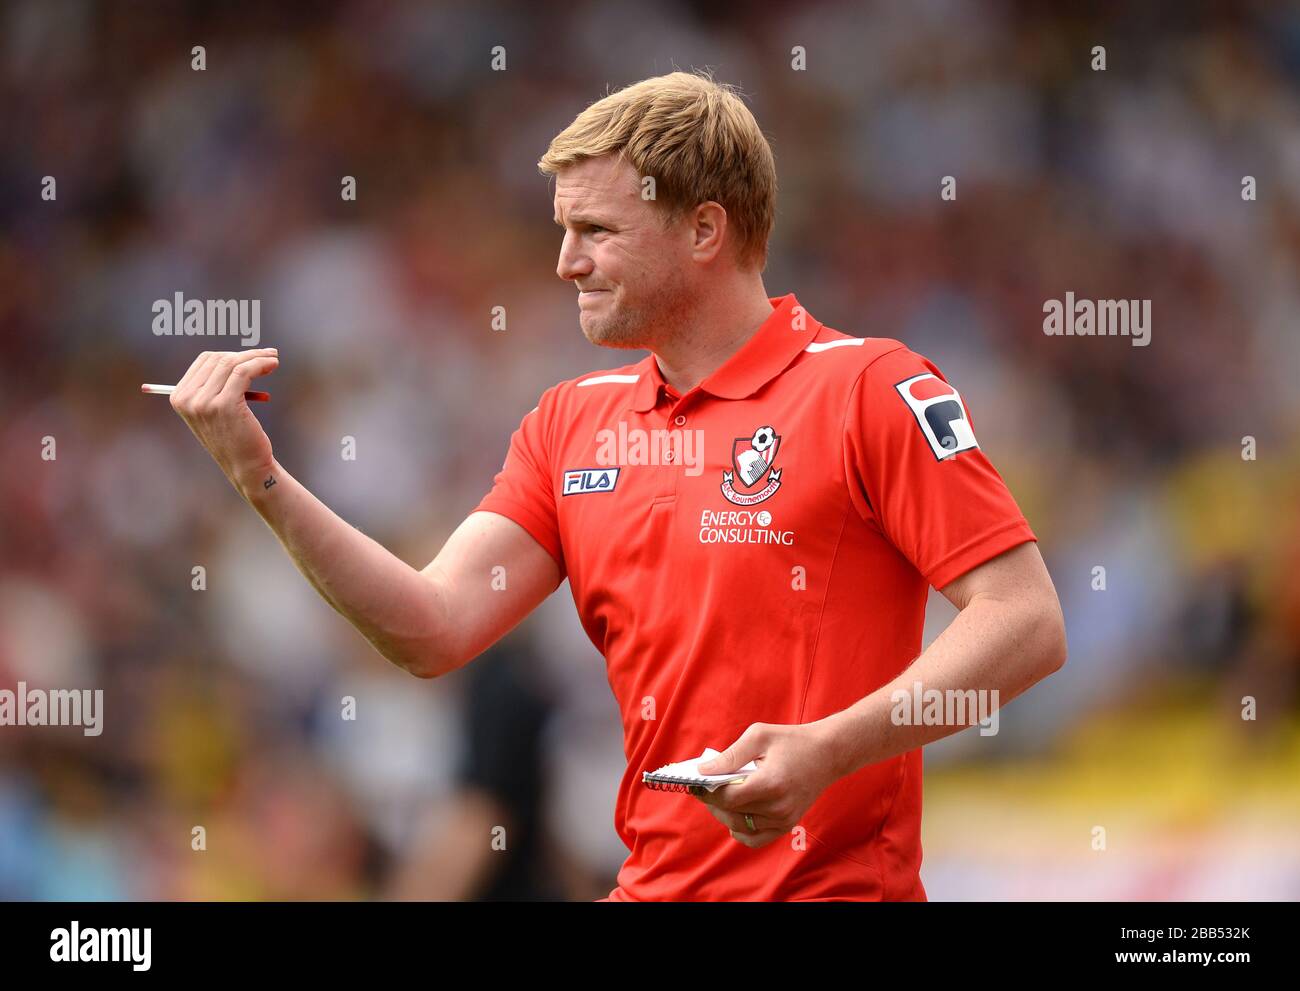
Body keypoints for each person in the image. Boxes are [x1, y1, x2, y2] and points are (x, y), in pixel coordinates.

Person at [167, 70, 1067, 901]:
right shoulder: (569, 423)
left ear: (704, 229)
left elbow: (1025, 620)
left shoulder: (868, 387)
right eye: (563, 230)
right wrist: (263, 478)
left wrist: (828, 749)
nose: (566, 262)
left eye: (595, 231)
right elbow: (432, 627)